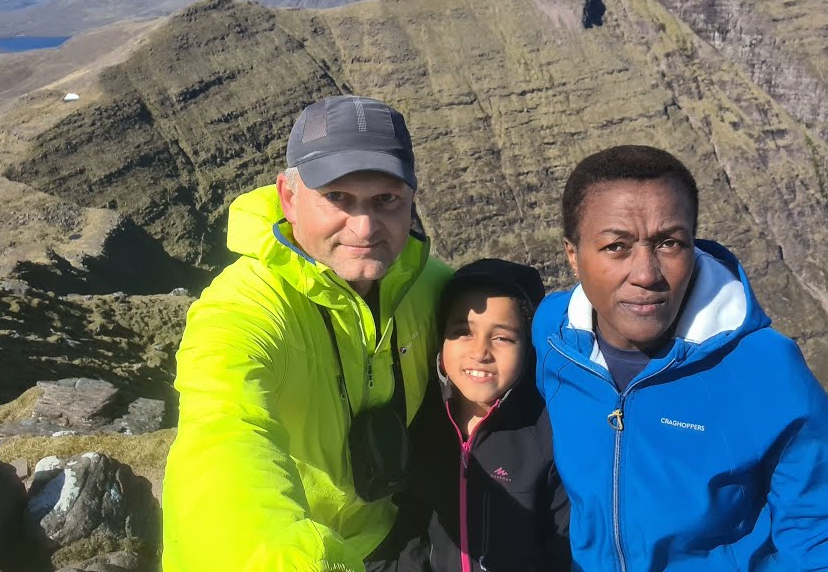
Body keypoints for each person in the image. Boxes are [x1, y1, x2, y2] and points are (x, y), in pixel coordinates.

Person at [531, 144, 828, 571]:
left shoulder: (763, 367)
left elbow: (826, 534)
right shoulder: (554, 337)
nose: (646, 274)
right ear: (573, 255)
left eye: (669, 243)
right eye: (616, 247)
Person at [161, 95, 453, 572]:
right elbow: (223, 436)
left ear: (411, 202)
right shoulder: (241, 308)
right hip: (312, 550)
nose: (364, 226)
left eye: (386, 201)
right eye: (337, 198)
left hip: (402, 534)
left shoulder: (428, 286)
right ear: (289, 197)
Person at [383, 258, 572, 572]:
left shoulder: (546, 435)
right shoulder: (420, 421)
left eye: (502, 337)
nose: (480, 352)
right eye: (463, 332)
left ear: (528, 348)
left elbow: (562, 545)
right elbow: (410, 533)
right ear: (440, 341)